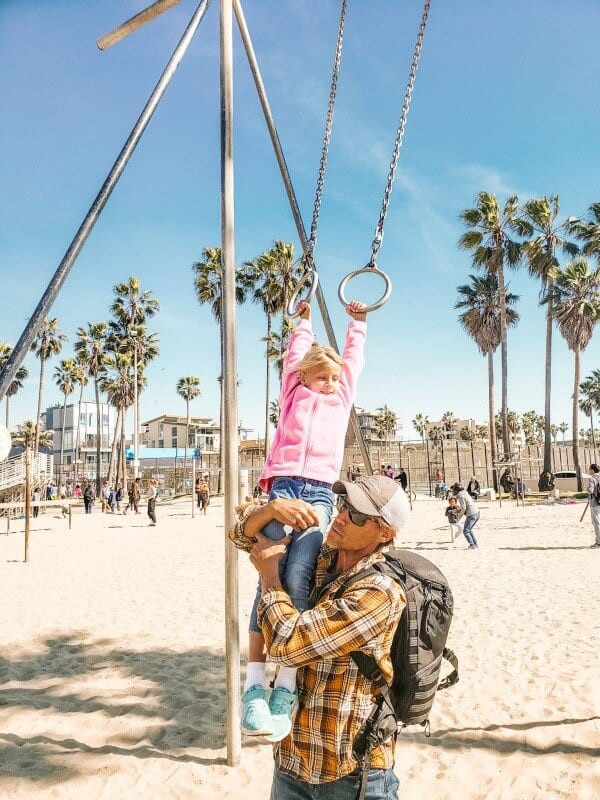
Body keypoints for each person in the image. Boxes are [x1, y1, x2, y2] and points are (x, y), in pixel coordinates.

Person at [241, 299, 368, 742]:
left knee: (299, 577)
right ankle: (255, 683)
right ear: (304, 376)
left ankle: (287, 684)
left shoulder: (342, 396)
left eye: (335, 378)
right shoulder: (293, 390)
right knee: (267, 573)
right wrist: (303, 319)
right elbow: (296, 353)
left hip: (317, 491)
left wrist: (358, 324)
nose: (331, 382)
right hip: (282, 487)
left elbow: (352, 362)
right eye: (323, 376)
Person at [245, 474, 409, 799]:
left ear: (385, 533)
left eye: (358, 515)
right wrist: (273, 509)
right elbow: (243, 535)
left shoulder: (380, 593)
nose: (342, 516)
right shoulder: (320, 560)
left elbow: (287, 645)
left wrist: (270, 576)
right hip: (292, 763)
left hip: (352, 773)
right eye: (344, 503)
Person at [450, 482, 479, 549]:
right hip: (476, 513)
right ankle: (475, 543)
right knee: (469, 529)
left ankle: (472, 545)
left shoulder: (461, 496)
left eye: (454, 490)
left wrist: (458, 517)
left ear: (457, 490)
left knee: (466, 531)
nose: (453, 491)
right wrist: (457, 511)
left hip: (472, 514)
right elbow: (464, 507)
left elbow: (464, 508)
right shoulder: (464, 493)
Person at [587, 464, 600, 548]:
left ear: (592, 470)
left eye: (589, 469)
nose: (589, 470)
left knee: (596, 523)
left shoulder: (592, 478)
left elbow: (590, 490)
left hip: (595, 502)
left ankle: (598, 542)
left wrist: (587, 489)